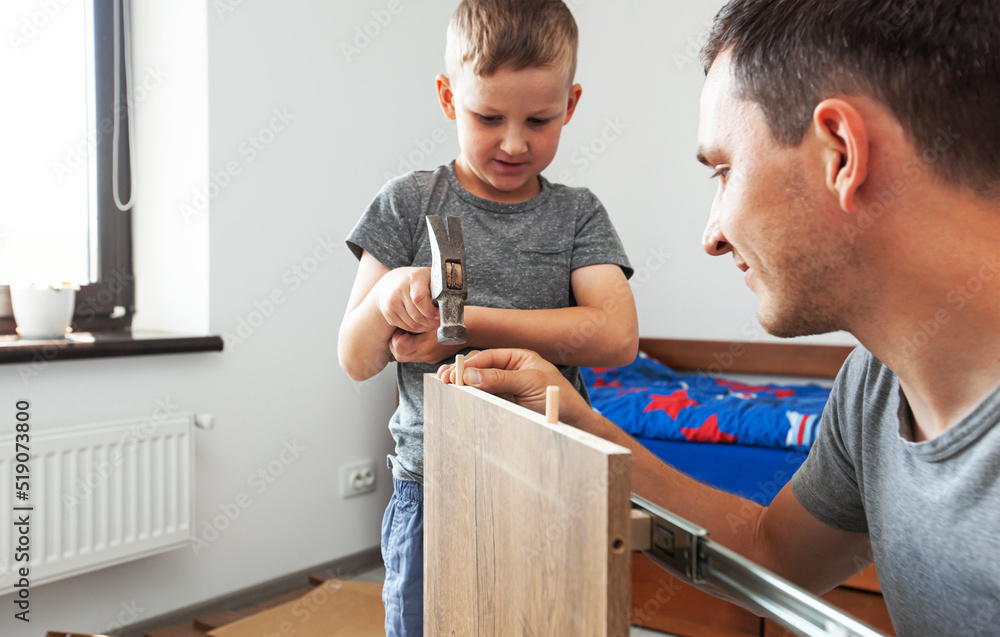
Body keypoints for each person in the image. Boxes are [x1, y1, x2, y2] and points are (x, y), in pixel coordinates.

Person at [438, 0, 1000, 634]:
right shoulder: (874, 386)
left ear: (842, 152)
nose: (712, 235)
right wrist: (580, 421)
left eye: (725, 170)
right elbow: (775, 555)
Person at [338, 1, 638, 634]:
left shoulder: (578, 215)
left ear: (572, 105)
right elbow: (356, 358)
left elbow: (615, 336)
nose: (513, 142)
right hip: (432, 484)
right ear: (449, 97)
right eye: (487, 116)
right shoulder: (406, 204)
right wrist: (387, 293)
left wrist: (462, 323)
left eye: (539, 119)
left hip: (551, 479)